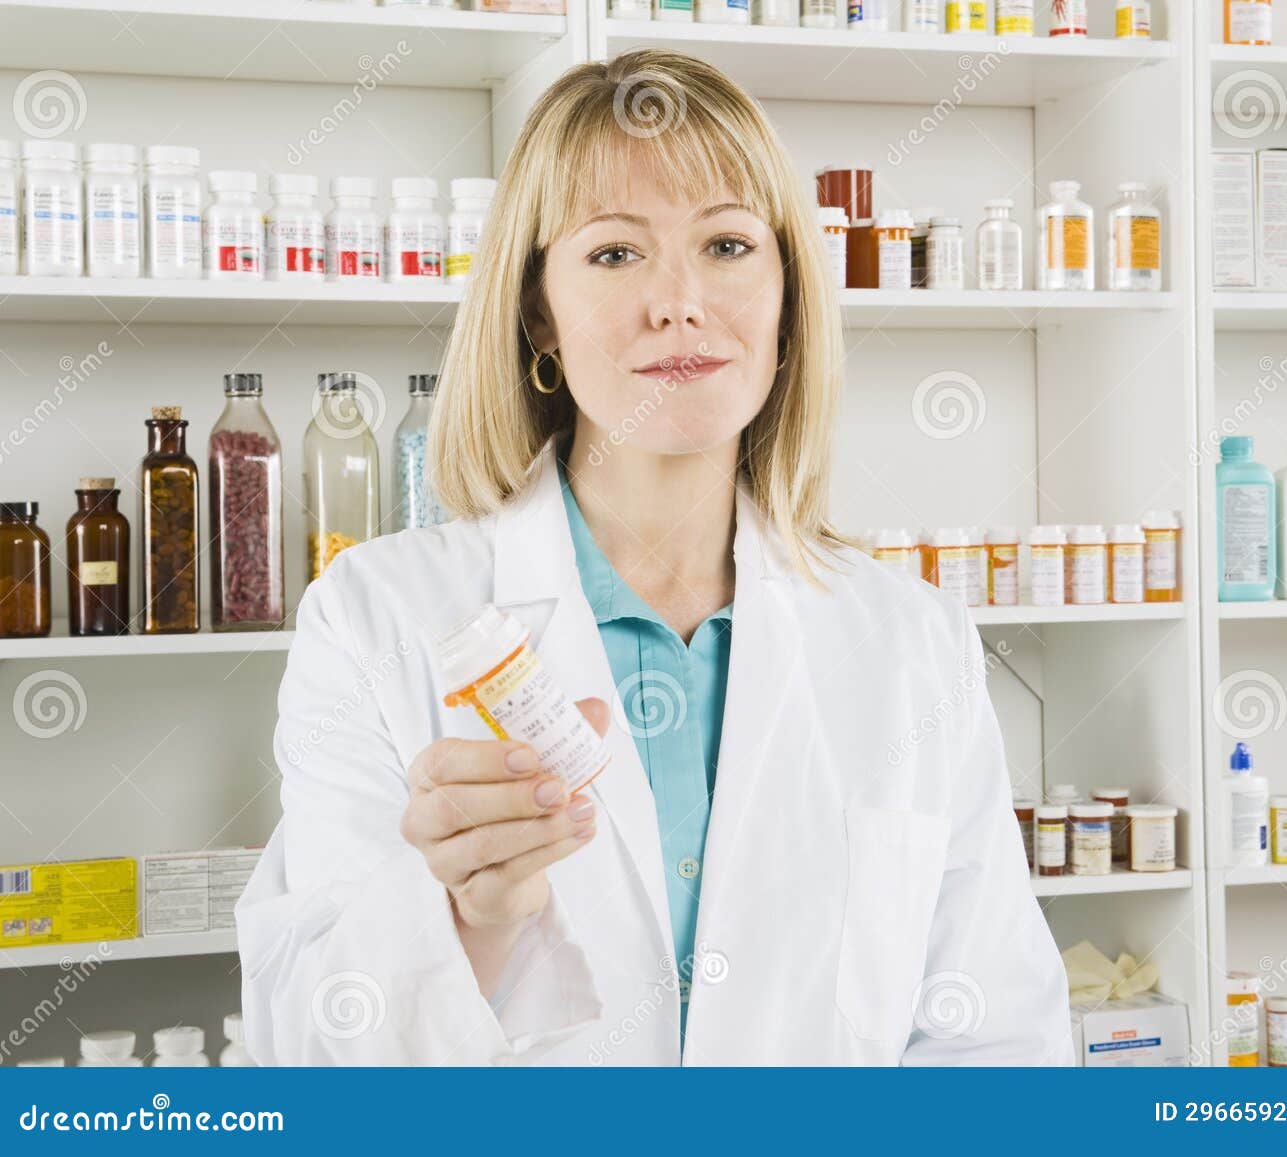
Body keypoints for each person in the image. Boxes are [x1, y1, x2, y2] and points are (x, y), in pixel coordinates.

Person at [236, 48, 1070, 1065]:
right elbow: (310, 1056)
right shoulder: (376, 618)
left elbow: (994, 1032)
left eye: (725, 244)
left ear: (786, 296)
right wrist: (478, 920)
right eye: (616, 254)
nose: (679, 301)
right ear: (538, 308)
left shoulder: (910, 636)